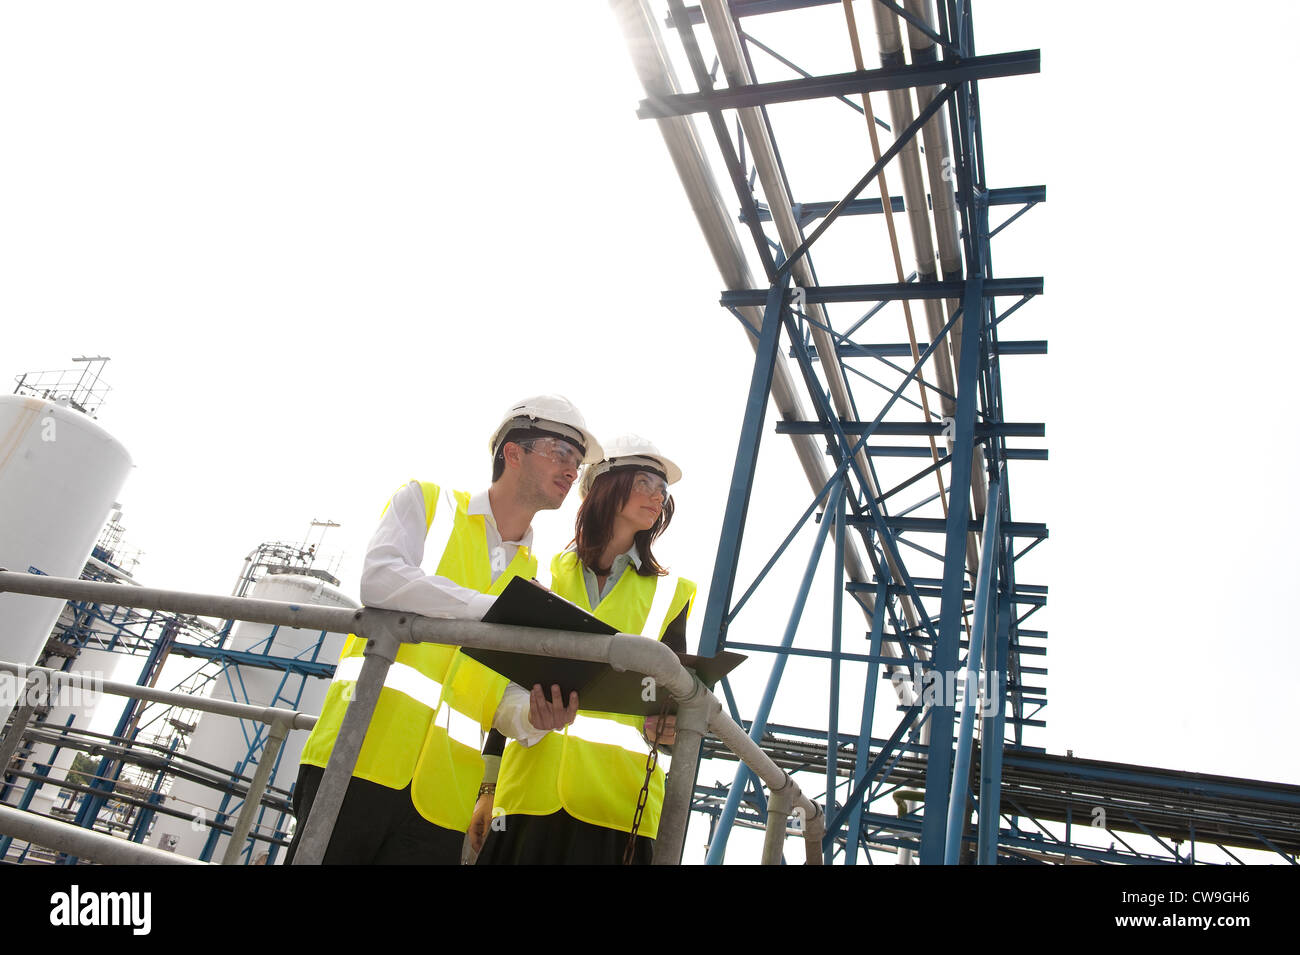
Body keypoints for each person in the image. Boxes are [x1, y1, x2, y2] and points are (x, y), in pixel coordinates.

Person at [284, 395, 600, 865]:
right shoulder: (428, 503)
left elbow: (497, 701)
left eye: (577, 462)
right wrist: (489, 610)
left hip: (443, 798)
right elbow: (381, 579)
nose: (572, 470)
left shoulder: (536, 580)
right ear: (513, 452)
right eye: (561, 454)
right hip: (358, 759)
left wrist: (536, 717)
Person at [472, 435, 695, 865]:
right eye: (647, 481)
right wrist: (487, 788)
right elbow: (506, 682)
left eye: (663, 490)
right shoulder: (540, 573)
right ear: (605, 486)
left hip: (617, 806)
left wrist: (671, 731)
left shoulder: (672, 594)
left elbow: (673, 698)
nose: (657, 496)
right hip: (525, 796)